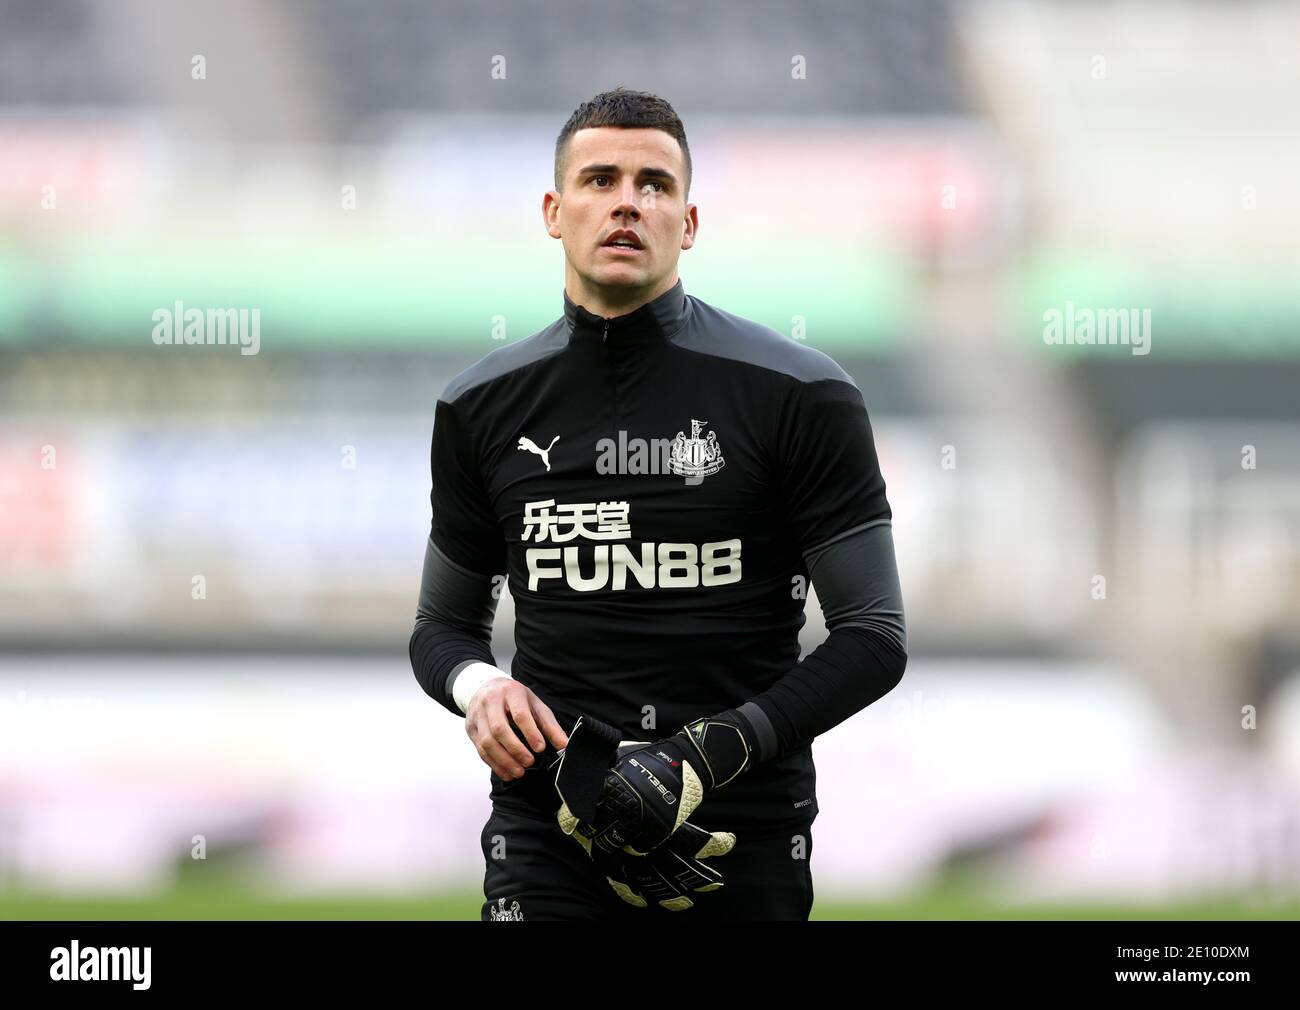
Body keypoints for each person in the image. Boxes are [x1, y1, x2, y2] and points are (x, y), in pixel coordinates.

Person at [409, 87, 907, 921]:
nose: (627, 203)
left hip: (734, 837)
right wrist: (476, 688)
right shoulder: (479, 407)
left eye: (654, 184)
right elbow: (441, 629)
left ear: (691, 219)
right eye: (600, 179)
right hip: (550, 831)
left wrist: (698, 760)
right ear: (553, 210)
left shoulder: (802, 393)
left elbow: (874, 638)